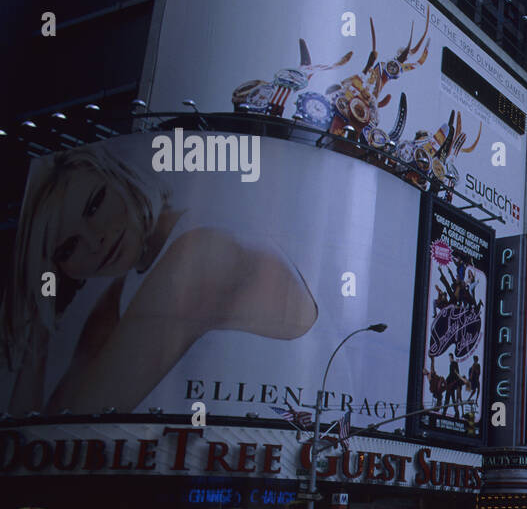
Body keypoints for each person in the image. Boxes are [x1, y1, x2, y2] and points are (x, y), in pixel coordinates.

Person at [3, 146, 317, 415]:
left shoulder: (200, 254)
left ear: (120, 177)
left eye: (94, 205)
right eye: (68, 247)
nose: (94, 239)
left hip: (297, 451)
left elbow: (74, 424)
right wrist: (39, 316)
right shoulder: (123, 290)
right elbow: (40, 428)